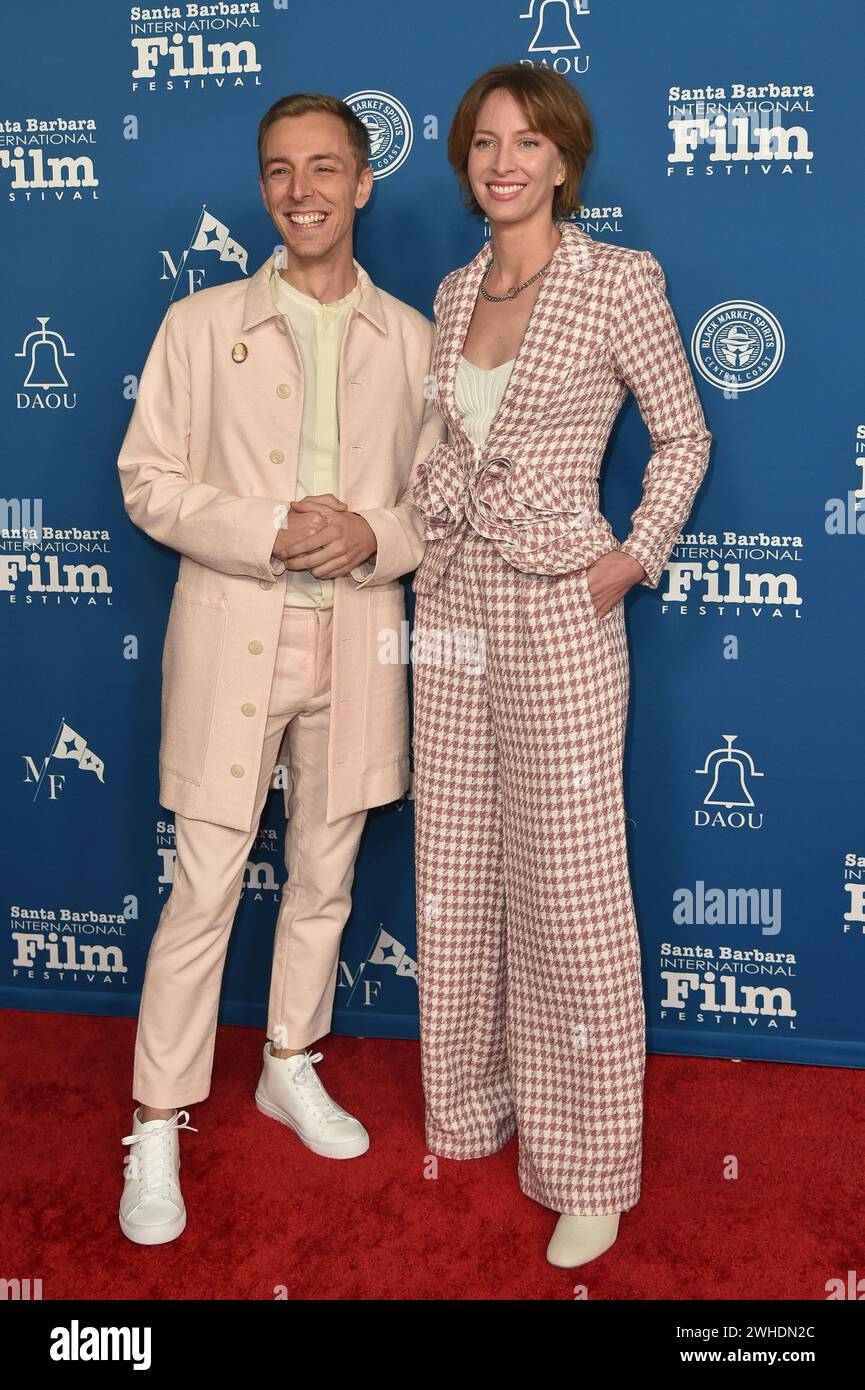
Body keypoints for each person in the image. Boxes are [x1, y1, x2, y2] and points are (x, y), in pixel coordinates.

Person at [115, 92, 444, 1245]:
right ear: (262, 189)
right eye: (277, 171)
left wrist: (369, 537)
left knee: (325, 876)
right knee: (202, 887)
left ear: (362, 184)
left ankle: (288, 1063)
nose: (300, 191)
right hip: (232, 631)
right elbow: (147, 478)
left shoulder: (411, 337)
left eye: (323, 169)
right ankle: (157, 1119)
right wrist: (267, 527)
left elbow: (435, 508)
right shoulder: (200, 323)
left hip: (358, 637)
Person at [409, 64, 712, 1268]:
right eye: (484, 143)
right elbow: (444, 441)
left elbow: (683, 432)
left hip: (558, 607)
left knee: (571, 888)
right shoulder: (448, 288)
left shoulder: (617, 279)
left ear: (563, 162)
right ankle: (473, 1109)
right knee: (459, 864)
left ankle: (588, 1163)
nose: (502, 162)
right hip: (451, 606)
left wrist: (630, 557)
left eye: (526, 143)